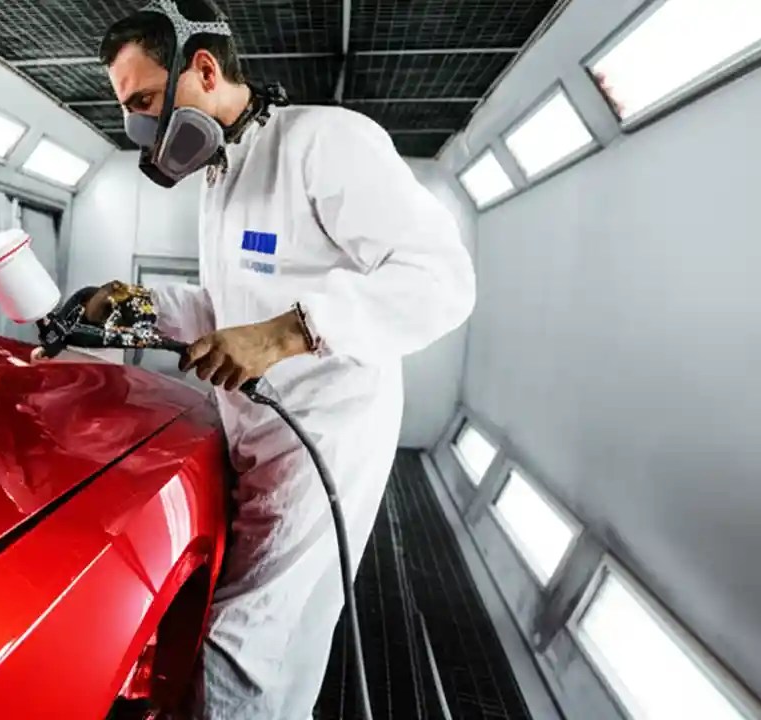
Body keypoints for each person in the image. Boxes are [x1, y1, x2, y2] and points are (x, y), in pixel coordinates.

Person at [89, 1, 477, 718]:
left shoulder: (324, 142)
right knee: (235, 638)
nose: (139, 127)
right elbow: (221, 309)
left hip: (321, 441)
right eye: (129, 111)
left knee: (245, 655)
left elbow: (440, 282)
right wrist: (131, 308)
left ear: (202, 69)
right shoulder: (222, 177)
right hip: (254, 439)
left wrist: (288, 332)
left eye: (143, 101)